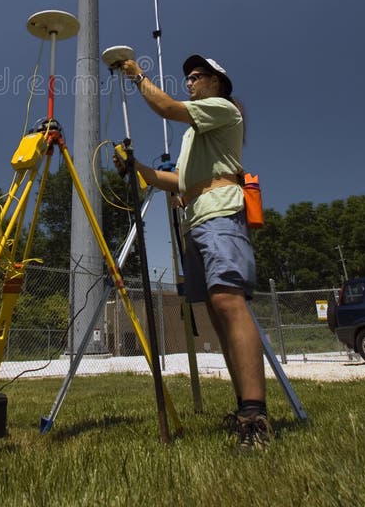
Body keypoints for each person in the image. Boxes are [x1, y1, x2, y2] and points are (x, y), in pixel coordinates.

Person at [116, 53, 272, 450]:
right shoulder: (193, 135)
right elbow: (179, 182)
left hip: (221, 213)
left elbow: (167, 108)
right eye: (188, 77)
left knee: (228, 302)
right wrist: (138, 169)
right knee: (217, 315)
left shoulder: (222, 109)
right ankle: (243, 406)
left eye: (198, 75)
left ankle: (256, 416)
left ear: (218, 83)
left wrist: (137, 75)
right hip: (197, 220)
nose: (190, 81)